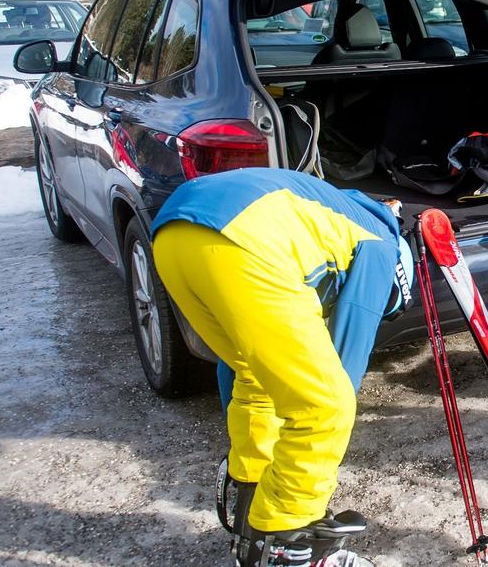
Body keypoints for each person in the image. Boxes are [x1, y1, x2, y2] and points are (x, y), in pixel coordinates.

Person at [151, 168, 413, 566]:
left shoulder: (332, 214)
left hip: (175, 233)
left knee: (254, 376)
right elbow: (344, 366)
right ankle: (289, 543)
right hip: (244, 243)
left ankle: (251, 508)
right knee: (325, 405)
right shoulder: (381, 247)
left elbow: (238, 364)